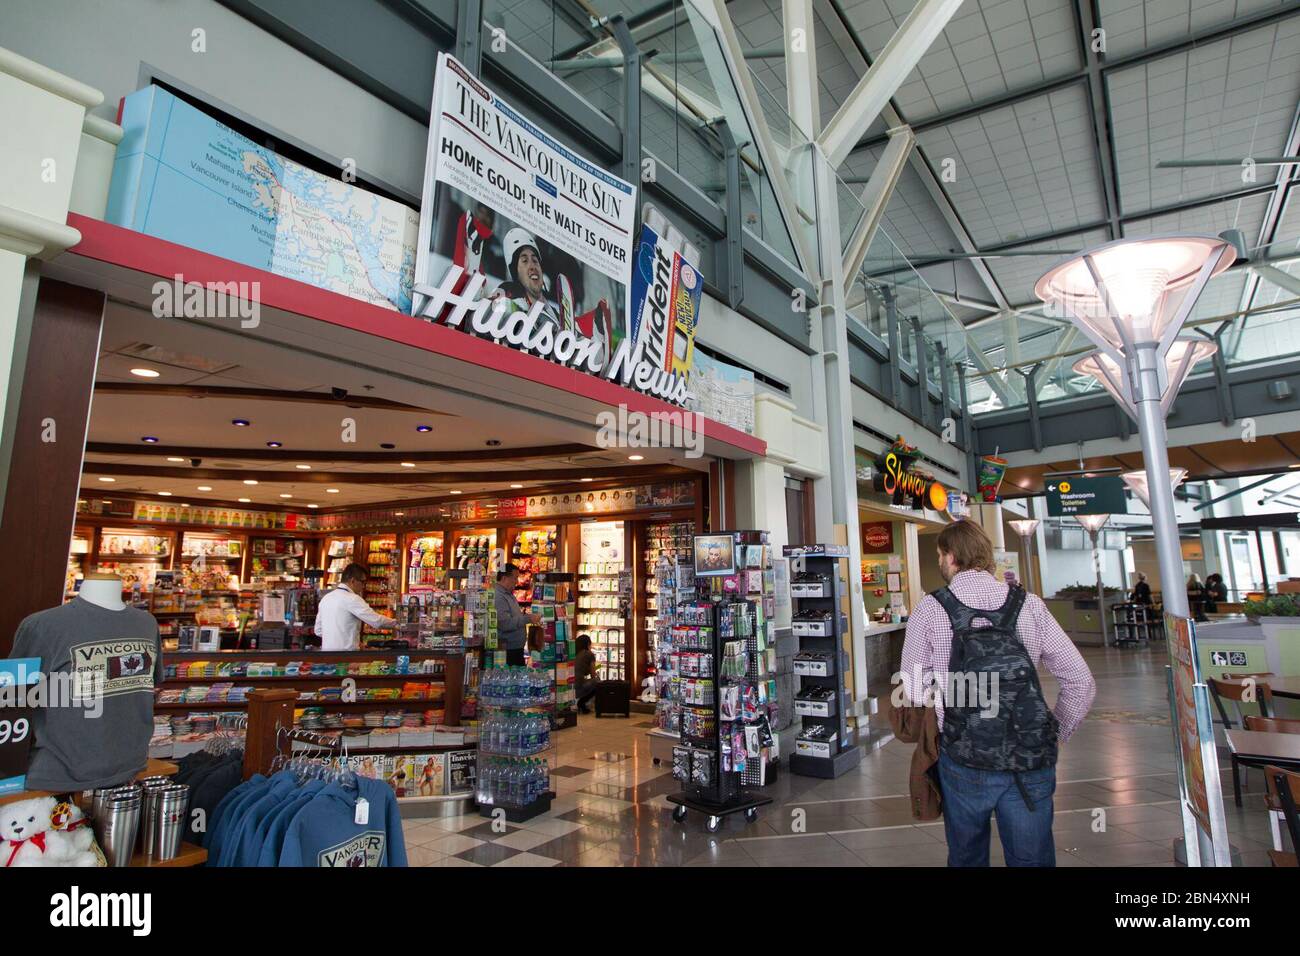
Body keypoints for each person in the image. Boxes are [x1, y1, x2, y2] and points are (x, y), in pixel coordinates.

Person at [899, 520, 1096, 867]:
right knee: (1031, 858)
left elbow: (914, 687)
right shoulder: (1029, 604)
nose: (940, 561)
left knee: (967, 856)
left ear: (950, 556)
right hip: (1030, 756)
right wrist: (1055, 733)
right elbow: (1081, 681)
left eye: (940, 555)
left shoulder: (930, 608)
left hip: (963, 754)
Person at [313, 562, 396, 651]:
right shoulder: (352, 599)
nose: (364, 586)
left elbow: (318, 630)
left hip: (326, 654)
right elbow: (377, 621)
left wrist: (339, 638)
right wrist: (398, 623)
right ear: (353, 581)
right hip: (347, 655)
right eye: (363, 582)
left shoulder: (326, 598)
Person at [494, 564, 541, 667]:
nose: (516, 581)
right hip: (508, 652)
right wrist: (528, 618)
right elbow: (504, 624)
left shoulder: (508, 594)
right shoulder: (498, 596)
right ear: (504, 578)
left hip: (515, 650)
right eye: (515, 578)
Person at [574, 635, 598, 714]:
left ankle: (582, 704)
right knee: (597, 682)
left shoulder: (573, 653)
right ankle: (582, 702)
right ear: (588, 644)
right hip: (579, 688)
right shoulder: (589, 654)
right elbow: (593, 675)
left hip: (569, 688)